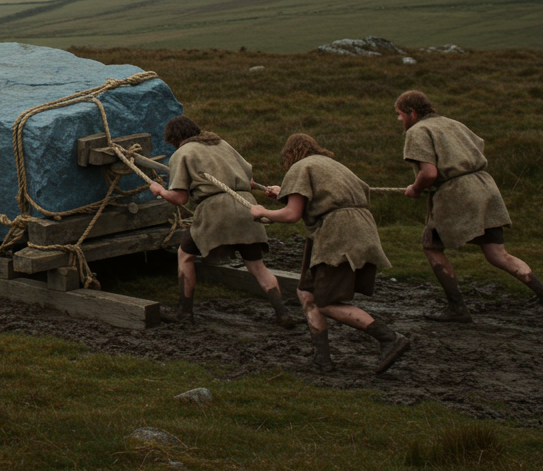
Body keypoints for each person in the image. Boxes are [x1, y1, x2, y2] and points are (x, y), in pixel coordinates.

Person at [250, 134, 408, 374]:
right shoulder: (332, 165)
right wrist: (284, 192)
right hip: (358, 226)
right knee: (306, 292)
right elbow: (324, 197)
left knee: (324, 303)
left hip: (337, 232)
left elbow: (292, 215)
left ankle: (389, 338)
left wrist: (263, 211)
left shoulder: (299, 166)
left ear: (290, 154)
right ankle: (322, 359)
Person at [395, 90, 543, 321]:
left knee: (431, 245)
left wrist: (415, 189)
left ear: (412, 113)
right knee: (498, 253)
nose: (399, 119)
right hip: (484, 187)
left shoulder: (418, 131)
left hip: (458, 193)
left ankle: (457, 308)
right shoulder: (453, 123)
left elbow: (429, 173)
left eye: (400, 114)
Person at [148, 116, 296, 327]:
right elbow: (249, 178)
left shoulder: (183, 153)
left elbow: (180, 198)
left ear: (174, 140)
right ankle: (283, 313)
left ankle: (184, 312)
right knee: (257, 267)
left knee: (185, 255)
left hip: (215, 210)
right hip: (247, 207)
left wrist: (160, 190)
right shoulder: (222, 144)